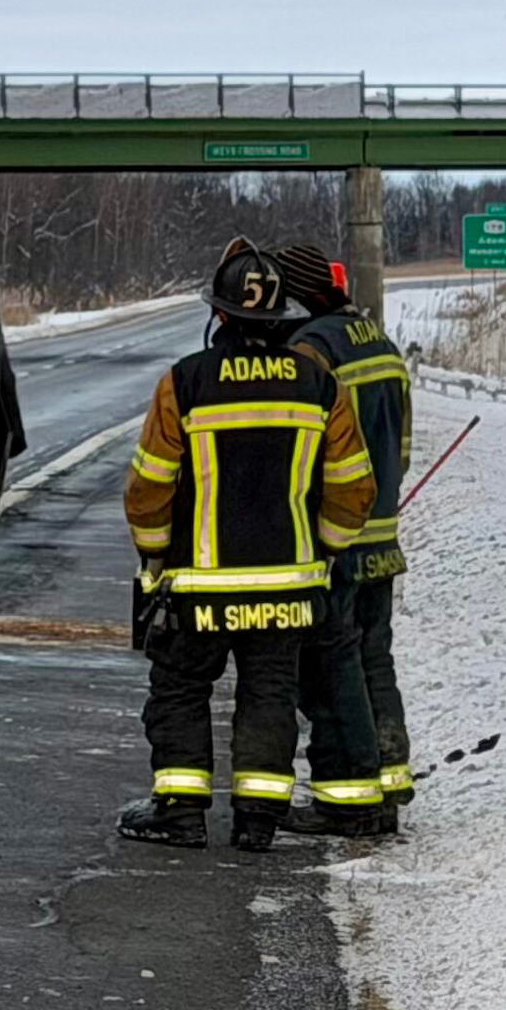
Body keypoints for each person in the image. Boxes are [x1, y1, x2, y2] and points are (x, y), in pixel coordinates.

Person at [117, 241, 379, 853]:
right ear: (279, 315)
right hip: (287, 586)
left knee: (180, 687)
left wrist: (154, 558)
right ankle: (258, 819)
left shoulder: (185, 381)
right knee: (270, 694)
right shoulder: (319, 383)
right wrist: (327, 550)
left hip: (199, 585)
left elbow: (150, 485)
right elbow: (353, 487)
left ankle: (180, 812)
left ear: (223, 314)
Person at [281, 237, 417, 831]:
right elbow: (404, 446)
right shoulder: (379, 342)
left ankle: (351, 798)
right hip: (381, 533)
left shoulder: (313, 352)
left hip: (334, 536)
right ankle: (390, 777)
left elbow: (304, 450)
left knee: (329, 667)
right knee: (372, 656)